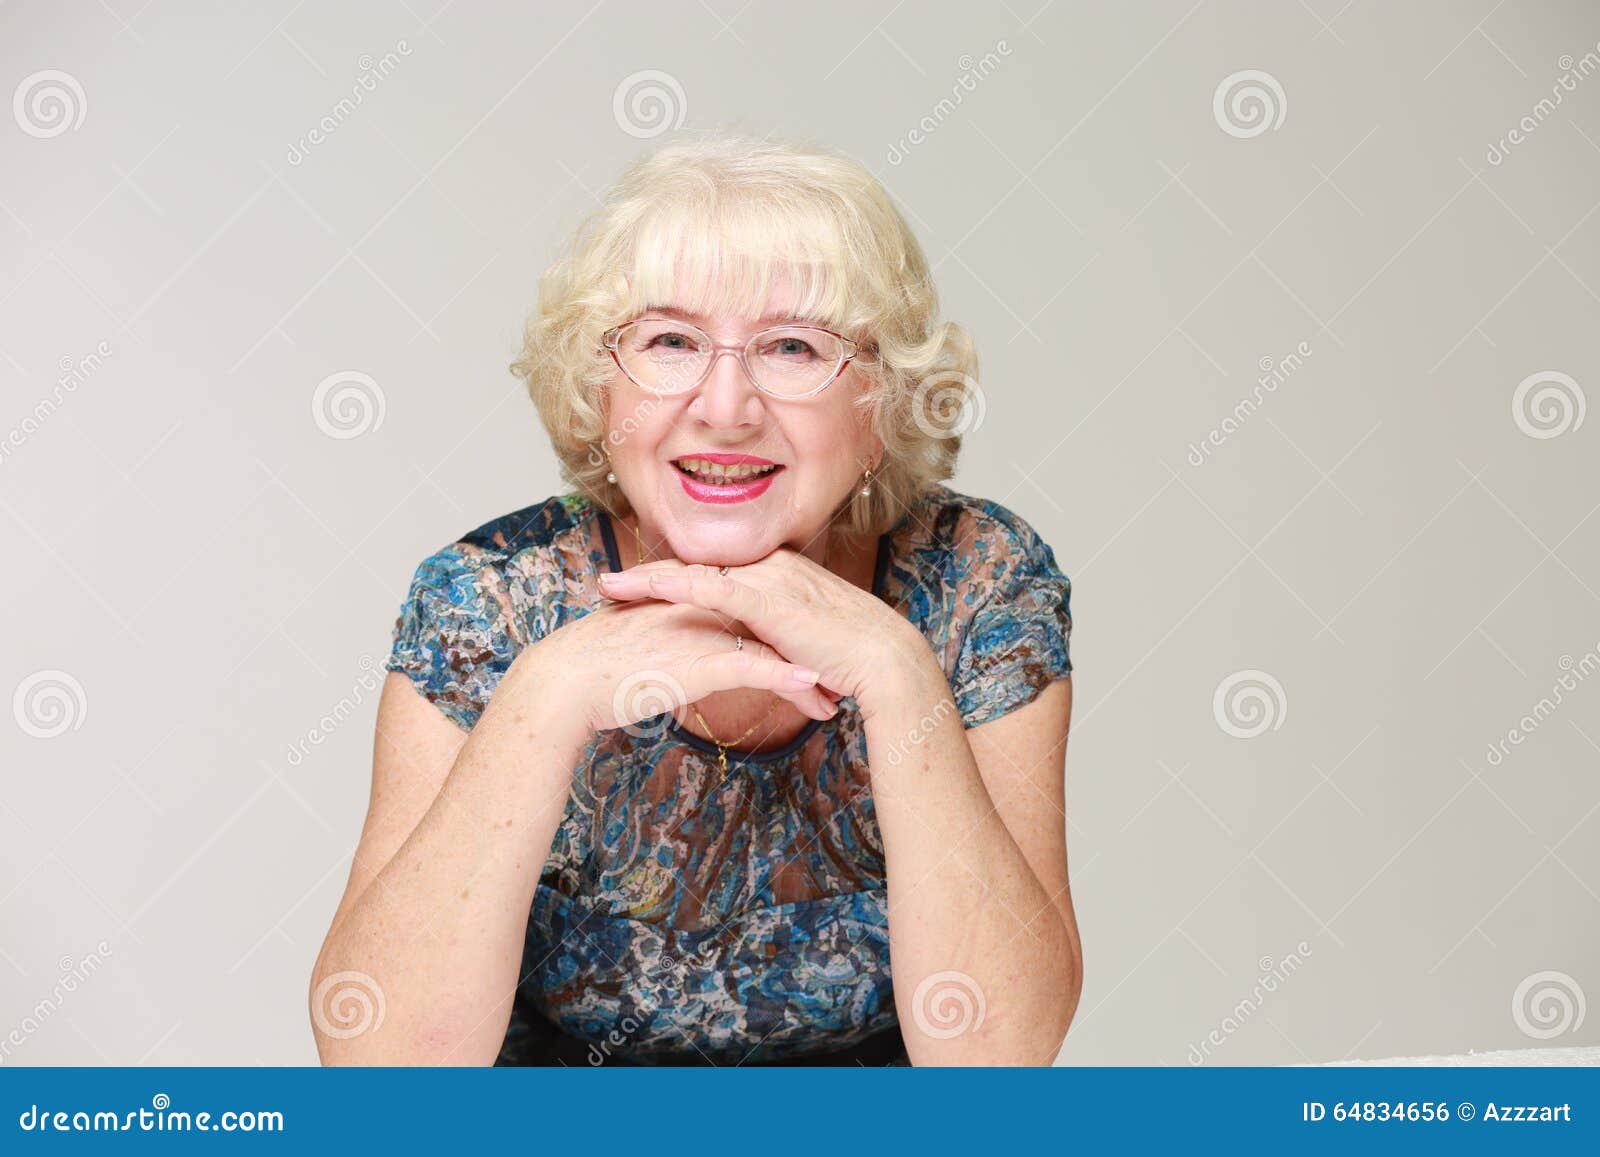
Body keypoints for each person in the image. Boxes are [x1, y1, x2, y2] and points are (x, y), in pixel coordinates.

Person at [310, 133, 1082, 1066]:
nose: (726, 406)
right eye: (671, 341)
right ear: (599, 393)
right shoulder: (487, 599)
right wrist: (548, 695)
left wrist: (895, 669)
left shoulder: (977, 579)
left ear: (883, 404)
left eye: (794, 347)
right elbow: (383, 1071)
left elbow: (999, 1065)